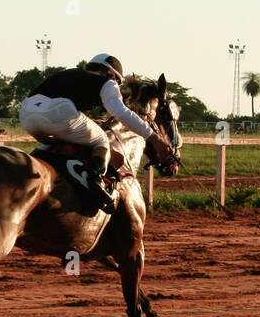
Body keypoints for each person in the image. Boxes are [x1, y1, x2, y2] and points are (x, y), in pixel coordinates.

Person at [19, 53, 174, 214]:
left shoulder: (71, 73)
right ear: (110, 73)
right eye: (117, 81)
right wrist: (153, 137)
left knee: (65, 141)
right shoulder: (107, 83)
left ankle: (40, 161)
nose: (117, 85)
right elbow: (121, 113)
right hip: (58, 112)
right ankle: (95, 181)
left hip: (26, 114)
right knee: (102, 140)